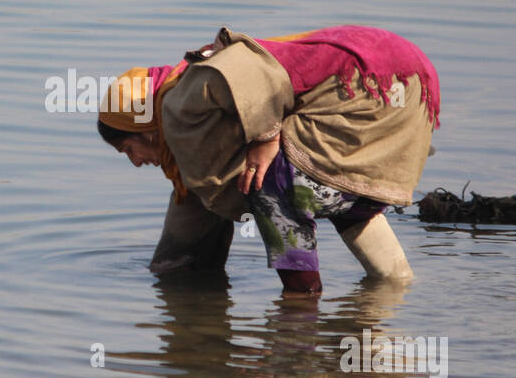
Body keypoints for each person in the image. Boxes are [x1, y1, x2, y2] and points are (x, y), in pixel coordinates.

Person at [97, 25, 440, 296]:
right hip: (405, 85)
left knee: (268, 175)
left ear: (146, 127)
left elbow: (244, 67)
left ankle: (301, 302)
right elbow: (199, 195)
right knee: (340, 194)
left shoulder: (182, 97)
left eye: (129, 149)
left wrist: (265, 137)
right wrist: (170, 272)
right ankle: (396, 286)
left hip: (368, 82)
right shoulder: (192, 130)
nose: (136, 162)